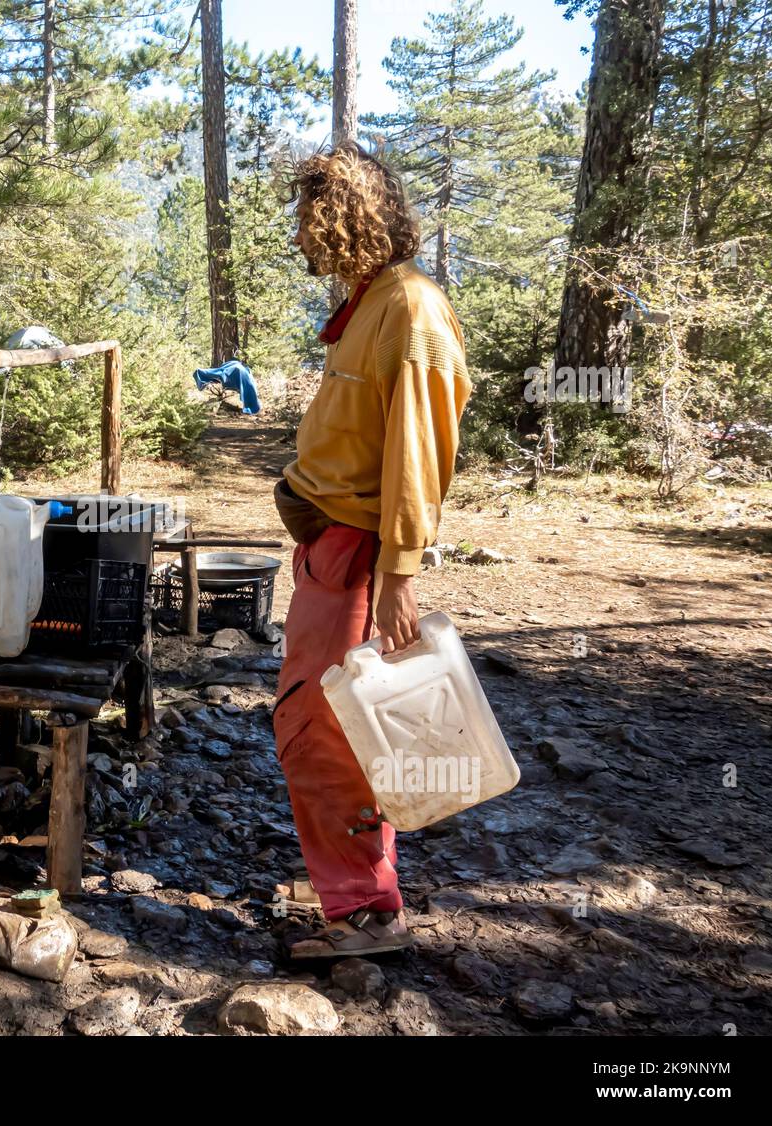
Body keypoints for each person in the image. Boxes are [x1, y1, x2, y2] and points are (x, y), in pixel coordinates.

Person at [275, 143, 471, 959]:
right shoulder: (369, 301)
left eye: (310, 223)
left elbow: (420, 451)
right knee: (351, 726)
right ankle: (362, 885)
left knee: (321, 731)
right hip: (332, 550)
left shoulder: (411, 309)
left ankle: (362, 912)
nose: (300, 240)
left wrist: (399, 572)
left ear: (344, 217)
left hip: (358, 556)